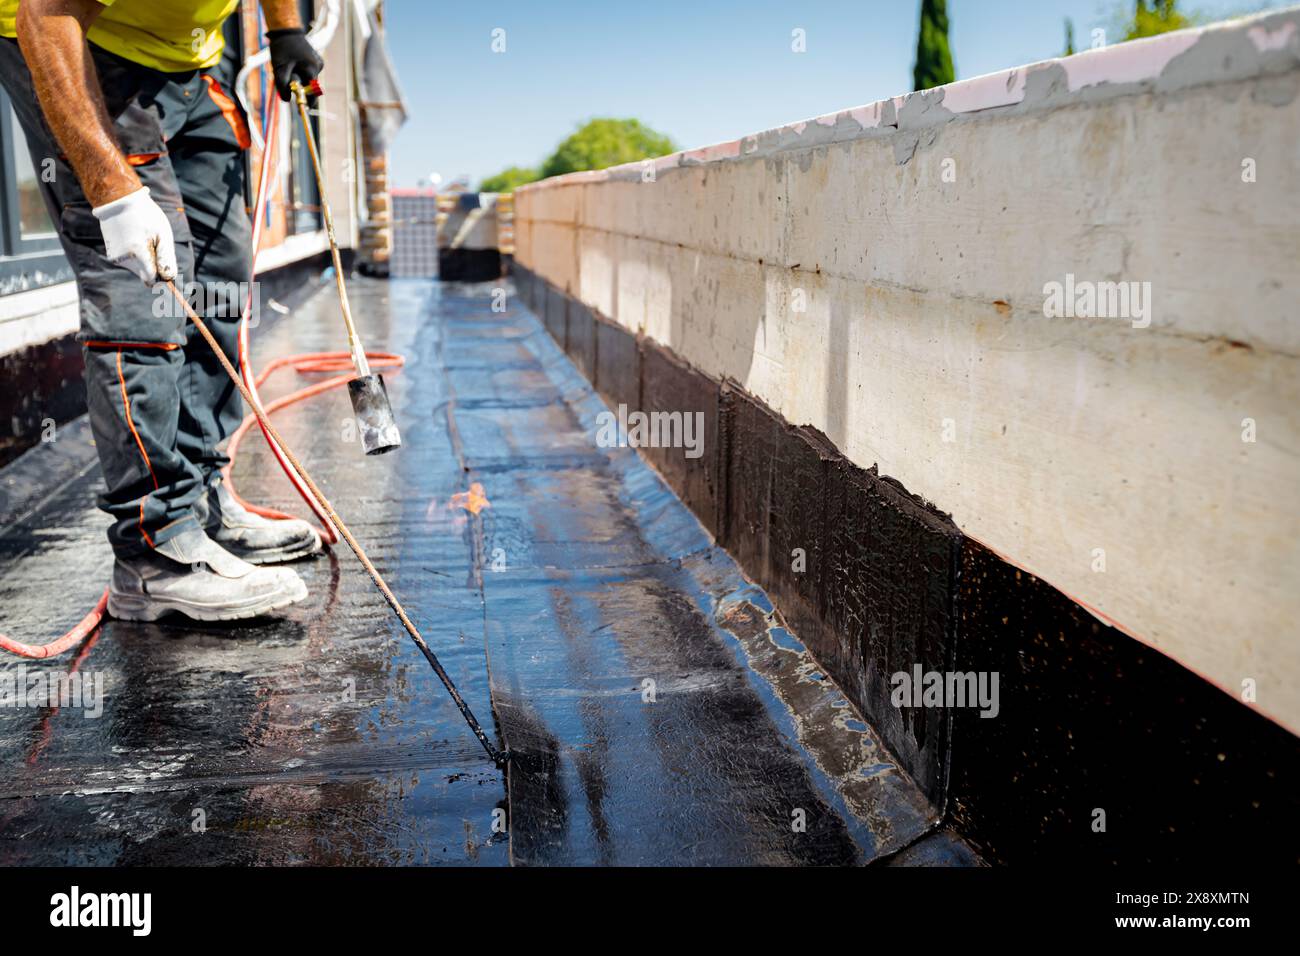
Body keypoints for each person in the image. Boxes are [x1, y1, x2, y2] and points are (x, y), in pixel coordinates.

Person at [0, 0, 325, 621]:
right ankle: (155, 552)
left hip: (187, 59)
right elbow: (46, 16)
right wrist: (113, 192)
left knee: (219, 280)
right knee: (143, 283)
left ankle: (201, 501)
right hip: (75, 41)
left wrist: (286, 29)